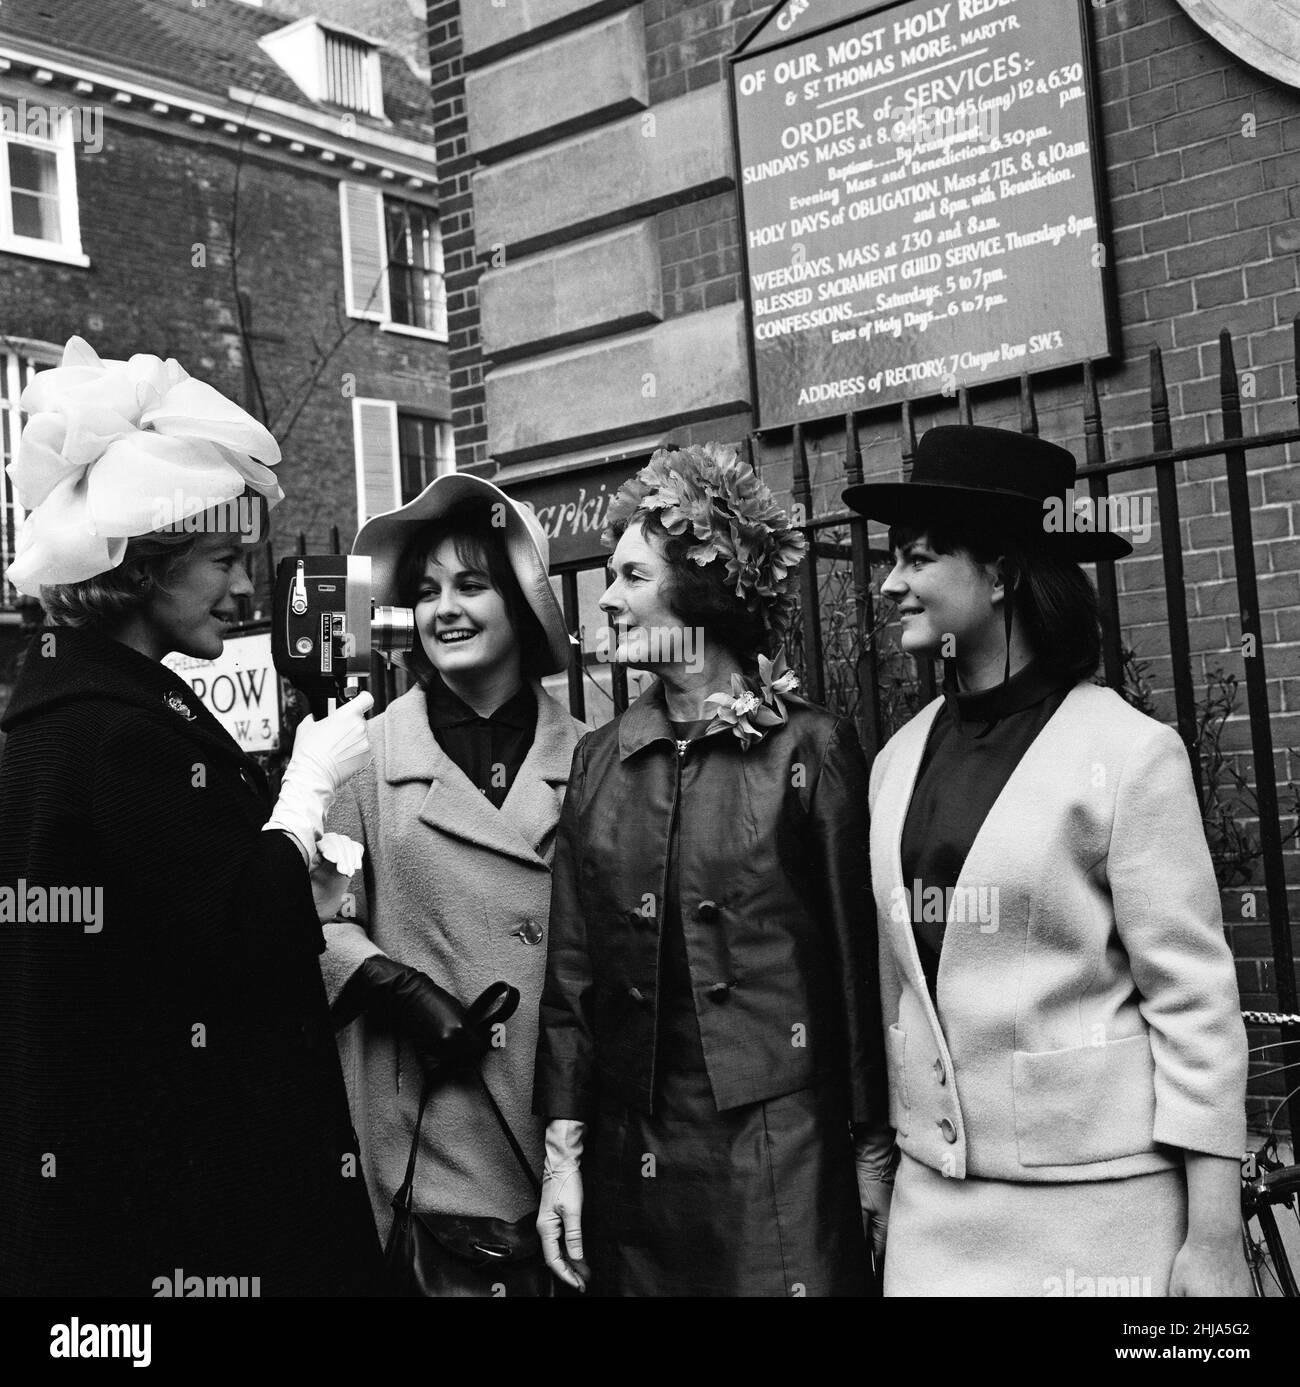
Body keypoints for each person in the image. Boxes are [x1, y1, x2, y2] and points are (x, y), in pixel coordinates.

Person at [0, 336, 382, 1295]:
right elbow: (243, 936)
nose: (247, 586)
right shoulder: (119, 734)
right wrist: (305, 792)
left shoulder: (70, 717)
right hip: (176, 1214)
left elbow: (156, 928)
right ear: (141, 566)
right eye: (221, 559)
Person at [843, 424, 1250, 1297]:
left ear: (1001, 572)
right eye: (893, 560)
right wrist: (883, 1165)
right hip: (932, 1215)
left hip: (1101, 1218)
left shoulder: (1130, 754)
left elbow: (1195, 1004)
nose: (891, 583)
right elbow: (893, 991)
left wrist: (1213, 1237)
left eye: (918, 558)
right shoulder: (894, 762)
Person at [534, 441, 893, 1297]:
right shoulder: (599, 760)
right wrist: (562, 1157)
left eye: (630, 577)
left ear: (700, 589)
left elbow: (859, 971)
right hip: (635, 1167)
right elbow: (572, 976)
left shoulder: (809, 748)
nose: (608, 601)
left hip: (783, 1159)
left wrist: (872, 1153)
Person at [319, 474, 584, 1296]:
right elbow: (319, 922)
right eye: (428, 591)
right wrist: (396, 986)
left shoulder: (598, 755)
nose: (446, 610)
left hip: (571, 1143)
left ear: (522, 604)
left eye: (472, 584)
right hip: (433, 1150)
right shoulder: (359, 759)